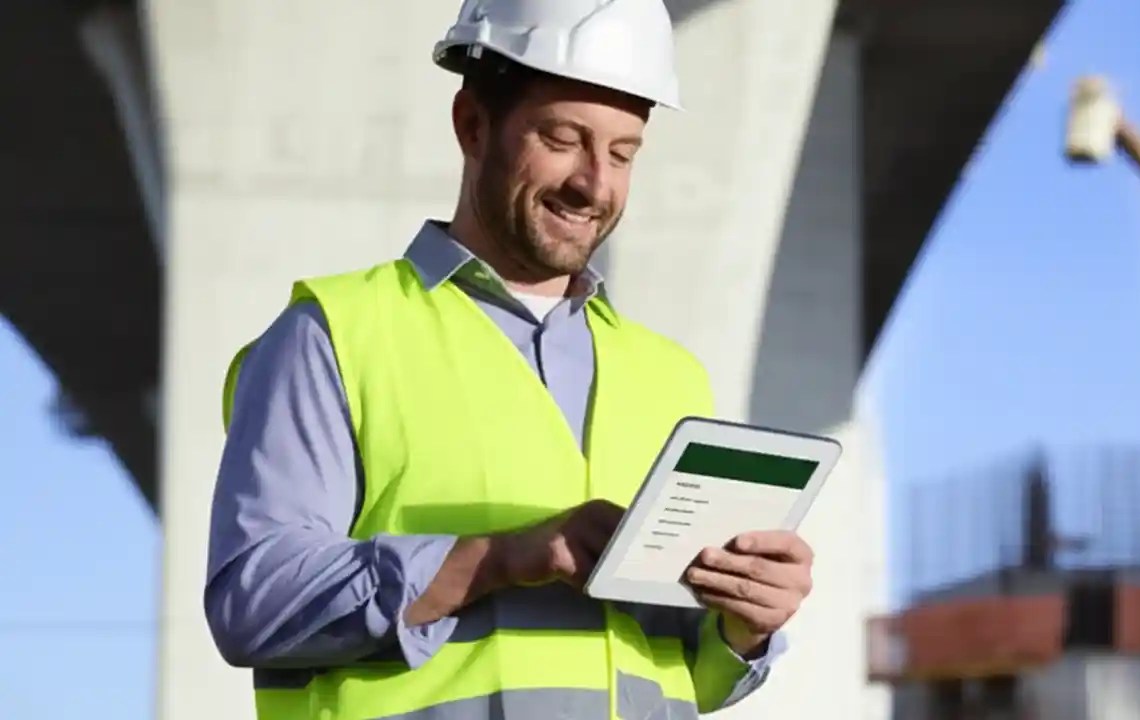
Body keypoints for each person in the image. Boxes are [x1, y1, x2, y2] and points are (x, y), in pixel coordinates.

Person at [204, 0, 817, 718]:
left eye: (623, 154)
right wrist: (498, 558)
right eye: (563, 139)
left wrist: (744, 627)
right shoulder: (336, 334)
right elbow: (254, 603)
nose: (594, 183)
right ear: (473, 125)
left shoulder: (671, 376)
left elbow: (688, 678)